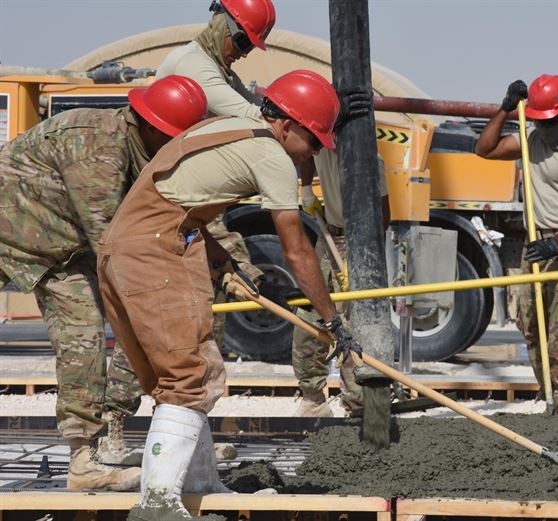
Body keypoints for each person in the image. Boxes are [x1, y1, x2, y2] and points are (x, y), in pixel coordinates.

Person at [97, 69, 364, 521]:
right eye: (315, 141)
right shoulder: (272, 156)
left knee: (179, 379)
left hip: (125, 249)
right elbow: (297, 251)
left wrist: (225, 262)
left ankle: (198, 485)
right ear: (288, 125)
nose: (314, 153)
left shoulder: (223, 126)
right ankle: (156, 506)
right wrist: (332, 321)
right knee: (190, 376)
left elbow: (177, 202)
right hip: (155, 252)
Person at [0, 75, 208, 490]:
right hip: (17, 227)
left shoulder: (141, 148)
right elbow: (112, 243)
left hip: (57, 240)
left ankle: (84, 459)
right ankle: (85, 458)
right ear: (150, 125)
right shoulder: (99, 149)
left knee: (86, 334)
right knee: (87, 332)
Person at [475, 74, 558, 416]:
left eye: (548, 122)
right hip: (535, 245)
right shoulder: (531, 140)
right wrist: (504, 109)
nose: (543, 128)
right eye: (538, 122)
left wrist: (556, 243)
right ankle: (548, 395)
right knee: (531, 325)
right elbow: (484, 148)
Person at [157, 0, 275, 343]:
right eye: (242, 43)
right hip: (172, 195)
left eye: (251, 47)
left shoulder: (214, 66)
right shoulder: (194, 65)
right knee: (226, 266)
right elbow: (251, 116)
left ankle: (198, 361)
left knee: (220, 272)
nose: (244, 53)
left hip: (188, 191)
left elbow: (258, 106)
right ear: (223, 25)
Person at [295, 140, 388, 416]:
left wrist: (360, 256)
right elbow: (306, 155)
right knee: (309, 315)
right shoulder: (319, 142)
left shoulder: (369, 161)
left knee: (351, 326)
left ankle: (357, 405)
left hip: (356, 239)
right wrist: (307, 188)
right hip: (328, 234)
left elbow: (385, 215)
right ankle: (312, 399)